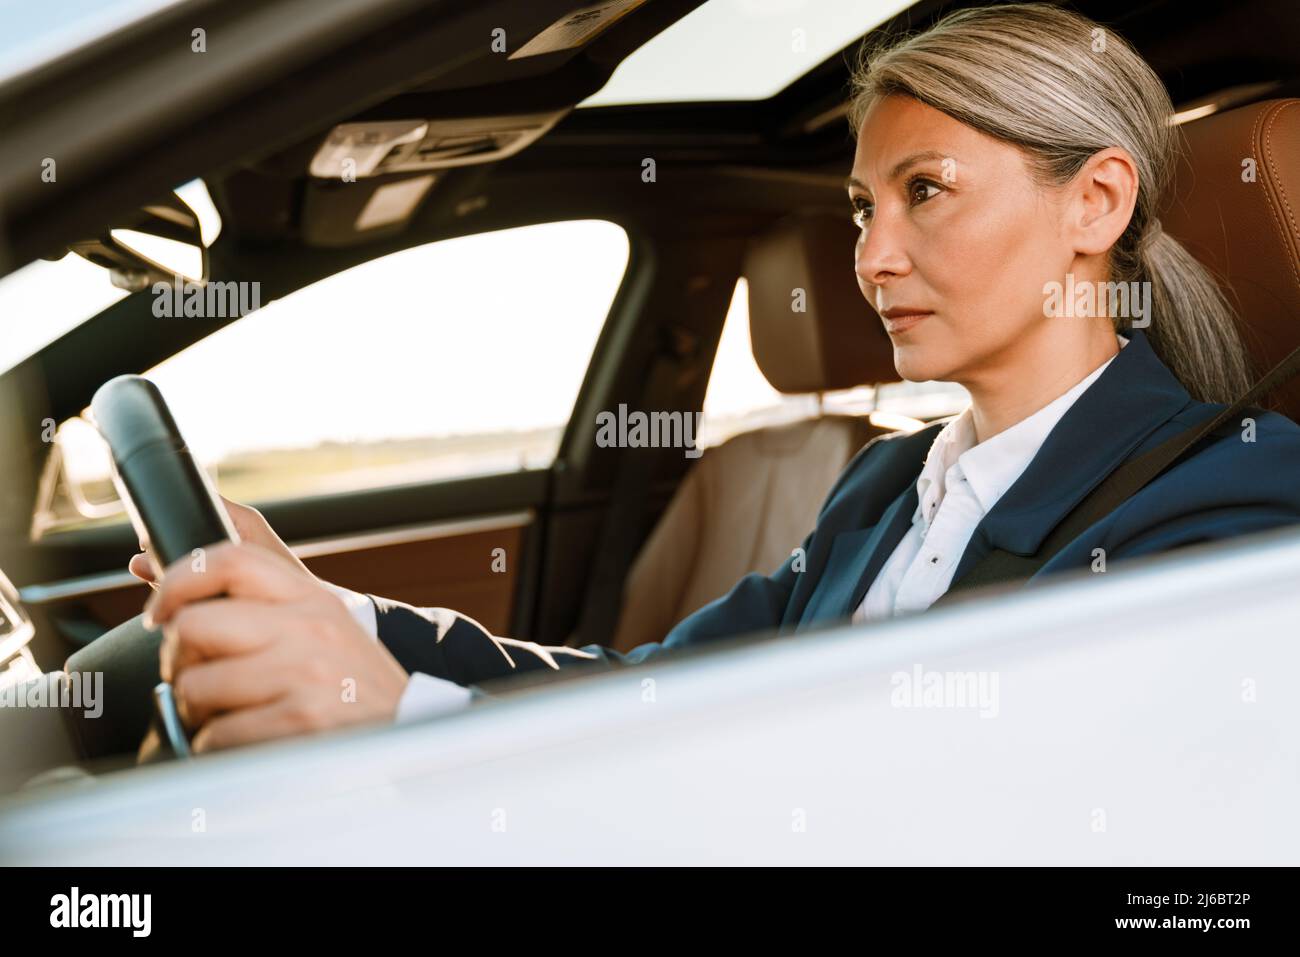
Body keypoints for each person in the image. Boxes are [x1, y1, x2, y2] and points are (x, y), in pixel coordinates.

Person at [136, 3, 1300, 752]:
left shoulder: (1234, 513)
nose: (871, 255)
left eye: (925, 191)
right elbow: (660, 695)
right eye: (860, 206)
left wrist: (391, 713)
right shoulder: (889, 486)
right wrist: (329, 612)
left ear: (1093, 204)